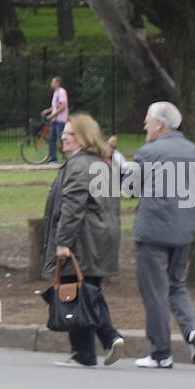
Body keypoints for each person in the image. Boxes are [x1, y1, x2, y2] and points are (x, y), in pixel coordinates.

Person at [127, 101, 195, 368]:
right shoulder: (194, 152)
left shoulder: (149, 152)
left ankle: (161, 353)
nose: (144, 126)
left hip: (152, 232)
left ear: (160, 125)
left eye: (148, 121)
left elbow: (129, 188)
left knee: (155, 291)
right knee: (176, 285)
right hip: (183, 230)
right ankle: (193, 331)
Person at [40, 113, 125, 367]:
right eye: (64, 132)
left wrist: (63, 242)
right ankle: (92, 349)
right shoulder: (103, 164)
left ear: (83, 138)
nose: (63, 137)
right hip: (102, 239)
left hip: (82, 240)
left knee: (75, 294)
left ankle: (100, 343)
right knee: (87, 293)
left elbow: (72, 208)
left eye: (69, 133)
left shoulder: (78, 166)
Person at [41, 76, 69, 164]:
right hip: (55, 120)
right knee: (52, 139)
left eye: (53, 82)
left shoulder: (61, 92)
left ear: (57, 83)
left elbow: (63, 105)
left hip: (60, 120)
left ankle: (69, 156)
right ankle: (53, 159)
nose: (51, 84)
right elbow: (55, 106)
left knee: (62, 139)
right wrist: (48, 110)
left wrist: (53, 114)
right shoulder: (55, 92)